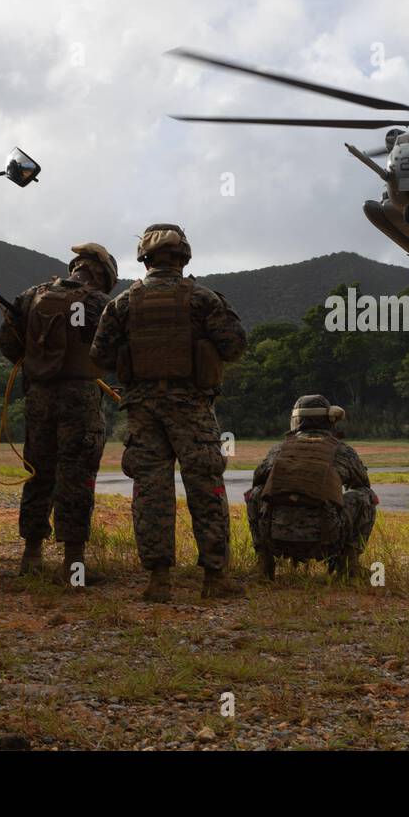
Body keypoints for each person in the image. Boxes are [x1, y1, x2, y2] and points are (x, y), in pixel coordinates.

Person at [90, 224, 247, 602]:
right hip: (192, 408)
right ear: (183, 257)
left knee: (150, 491)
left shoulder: (122, 304)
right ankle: (215, 578)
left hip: (143, 411)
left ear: (144, 259)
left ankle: (158, 580)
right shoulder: (204, 299)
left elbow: (100, 356)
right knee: (206, 485)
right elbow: (234, 346)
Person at [0, 243, 117, 584]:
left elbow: (7, 342)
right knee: (76, 477)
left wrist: (40, 360)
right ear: (102, 274)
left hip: (38, 397)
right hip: (80, 398)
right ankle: (73, 564)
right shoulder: (98, 302)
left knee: (38, 472)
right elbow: (111, 350)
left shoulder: (31, 296)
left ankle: (31, 556)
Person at [245, 395, 377, 581]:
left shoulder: (279, 450)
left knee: (255, 493)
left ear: (296, 420)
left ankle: (264, 564)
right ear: (328, 420)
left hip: (276, 538)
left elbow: (257, 479)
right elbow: (362, 482)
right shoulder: (342, 450)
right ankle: (349, 565)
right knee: (366, 495)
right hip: (326, 540)